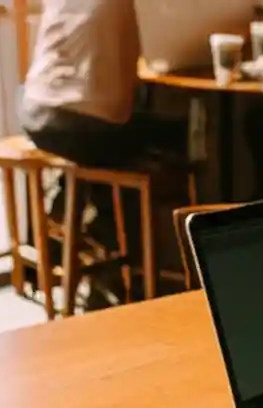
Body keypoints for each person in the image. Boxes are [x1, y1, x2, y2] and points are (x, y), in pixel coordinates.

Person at [22, 0, 187, 304]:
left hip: (35, 114)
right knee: (173, 133)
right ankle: (141, 265)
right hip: (83, 125)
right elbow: (154, 59)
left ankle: (76, 230)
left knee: (108, 146)